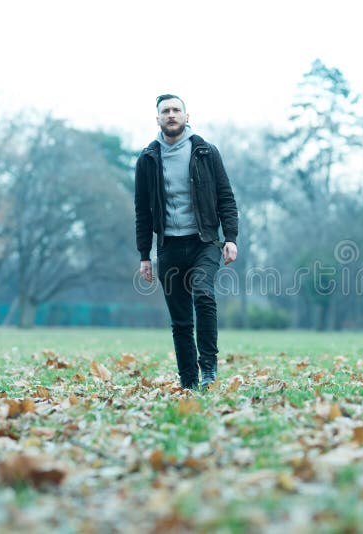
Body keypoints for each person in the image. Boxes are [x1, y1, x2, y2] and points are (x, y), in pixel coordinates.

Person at [134, 94, 238, 391]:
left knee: (203, 294)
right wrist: (144, 254)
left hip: (204, 241)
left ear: (186, 116)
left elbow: (226, 198)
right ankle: (189, 382)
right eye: (165, 111)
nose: (171, 115)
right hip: (168, 246)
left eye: (176, 110)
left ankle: (208, 368)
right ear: (158, 119)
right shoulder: (148, 158)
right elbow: (142, 211)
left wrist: (230, 238)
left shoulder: (206, 152)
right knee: (180, 320)